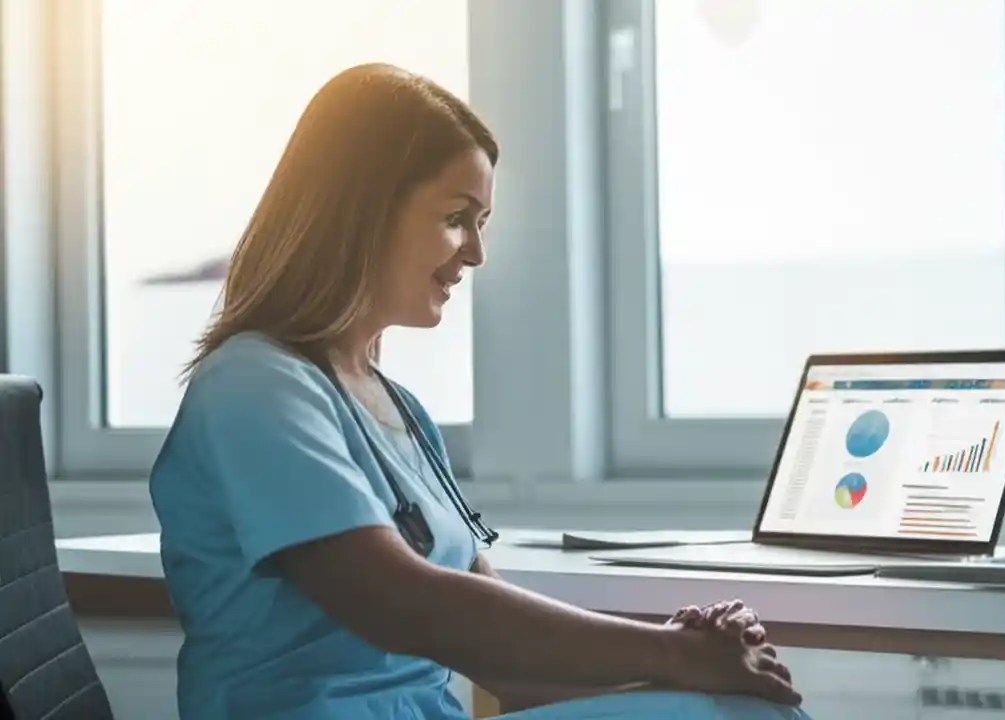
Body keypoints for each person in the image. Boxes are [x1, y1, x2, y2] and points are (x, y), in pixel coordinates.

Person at [149, 63, 809, 720]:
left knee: (735, 711)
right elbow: (398, 601)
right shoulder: (253, 386)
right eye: (457, 219)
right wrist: (671, 654)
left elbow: (508, 671)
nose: (475, 254)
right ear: (364, 210)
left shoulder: (401, 412)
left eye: (481, 222)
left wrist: (694, 663)